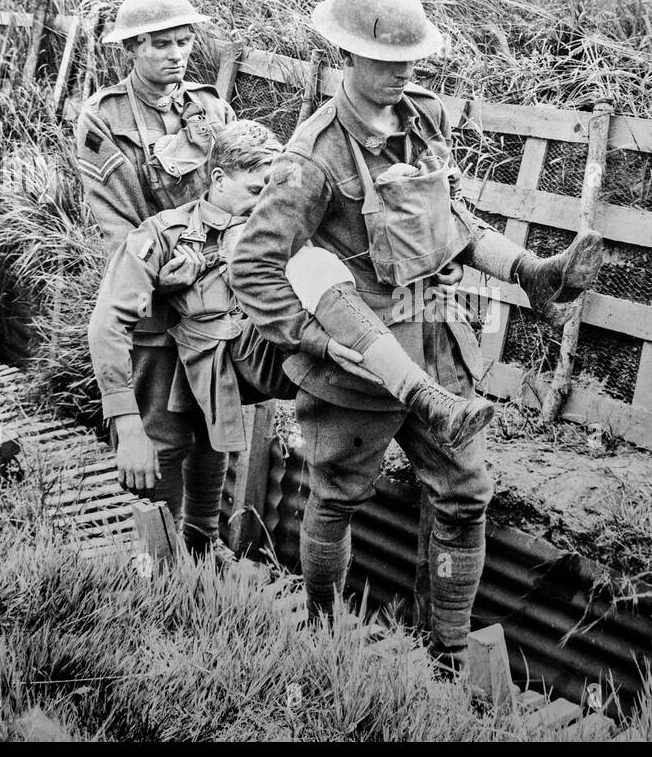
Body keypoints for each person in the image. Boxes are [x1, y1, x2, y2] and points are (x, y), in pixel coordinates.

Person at [230, 0, 604, 674]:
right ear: (345, 55)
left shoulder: (424, 118)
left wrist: (522, 268)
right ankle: (322, 632)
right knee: (337, 497)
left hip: (435, 344)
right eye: (385, 60)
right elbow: (254, 266)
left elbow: (450, 218)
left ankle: (450, 650)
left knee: (466, 494)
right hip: (357, 358)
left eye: (411, 59)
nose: (402, 72)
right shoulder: (313, 157)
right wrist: (312, 340)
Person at [88, 120, 498, 556]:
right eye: (255, 190)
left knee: (332, 278)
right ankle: (160, 573)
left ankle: (424, 397)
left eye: (273, 193)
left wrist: (438, 261)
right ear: (219, 179)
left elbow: (365, 253)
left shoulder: (289, 232)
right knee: (164, 471)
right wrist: (126, 422)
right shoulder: (164, 236)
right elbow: (107, 324)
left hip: (264, 361)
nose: (264, 205)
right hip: (193, 367)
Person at [74, 0, 235, 545]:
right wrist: (165, 266)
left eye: (184, 42)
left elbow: (235, 191)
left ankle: (204, 546)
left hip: (213, 301)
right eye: (161, 44)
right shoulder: (105, 119)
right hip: (154, 301)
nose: (176, 55)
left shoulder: (212, 109)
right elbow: (118, 226)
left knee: (215, 430)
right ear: (132, 49)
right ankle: (159, 571)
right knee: (161, 438)